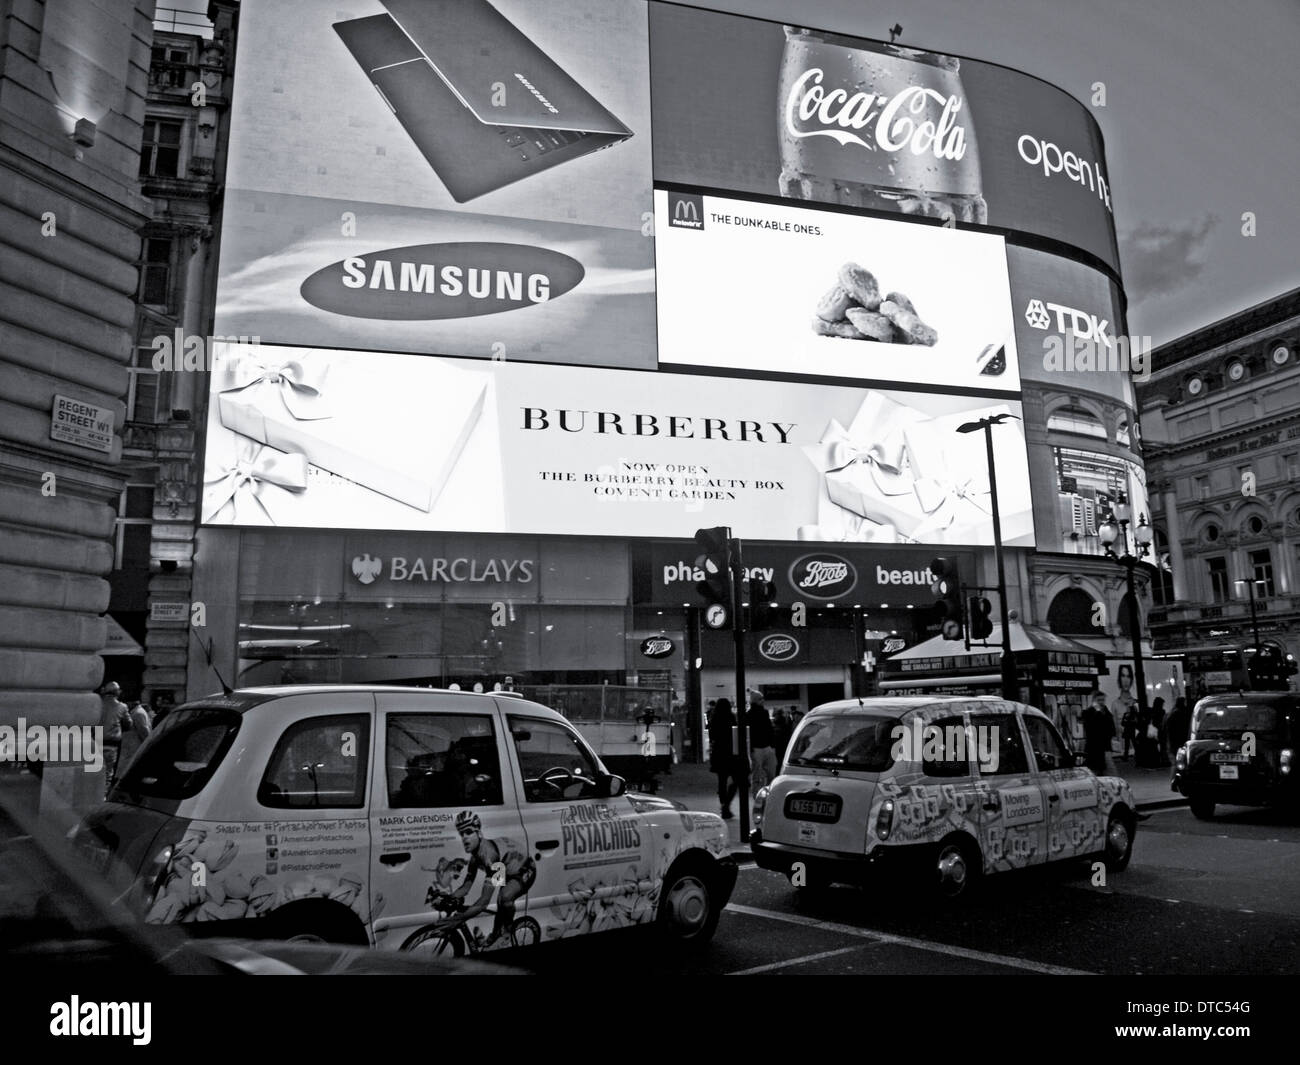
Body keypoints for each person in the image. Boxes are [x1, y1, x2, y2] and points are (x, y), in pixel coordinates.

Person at [448, 810, 536, 948]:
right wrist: (449, 898)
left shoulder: (491, 856)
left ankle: (507, 931)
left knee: (504, 897)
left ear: (479, 833)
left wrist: (460, 918)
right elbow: (466, 887)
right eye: (461, 834)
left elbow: (484, 902)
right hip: (507, 867)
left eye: (469, 832)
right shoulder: (475, 857)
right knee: (500, 904)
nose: (464, 838)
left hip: (525, 868)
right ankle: (494, 936)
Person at [708, 699, 739, 819]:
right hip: (731, 752)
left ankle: (723, 804)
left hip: (719, 752)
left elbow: (712, 736)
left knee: (722, 780)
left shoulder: (715, 718)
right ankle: (726, 804)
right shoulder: (731, 717)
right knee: (736, 779)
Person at [98, 681, 130, 795]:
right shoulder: (122, 707)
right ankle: (103, 797)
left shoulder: (97, 704)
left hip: (95, 742)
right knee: (107, 773)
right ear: (118, 692)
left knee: (93, 771)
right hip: (111, 744)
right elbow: (128, 724)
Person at [746, 691, 777, 798]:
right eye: (761, 698)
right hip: (766, 746)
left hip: (756, 747)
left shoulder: (749, 714)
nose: (763, 700)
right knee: (771, 772)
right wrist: (772, 745)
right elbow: (769, 730)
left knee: (757, 773)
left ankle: (757, 794)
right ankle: (769, 794)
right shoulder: (764, 713)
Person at [1082, 690, 1115, 775]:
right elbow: (1089, 727)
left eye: (1103, 700)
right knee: (1096, 770)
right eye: (1099, 700)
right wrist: (1097, 712)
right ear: (1094, 701)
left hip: (1105, 746)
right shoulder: (1089, 712)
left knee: (1107, 769)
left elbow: (1111, 726)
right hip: (1094, 746)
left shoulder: (1106, 712)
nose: (1101, 702)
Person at [118, 699, 152, 777]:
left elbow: (144, 731)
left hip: (134, 746)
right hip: (132, 746)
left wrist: (148, 744)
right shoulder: (136, 712)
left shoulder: (138, 713)